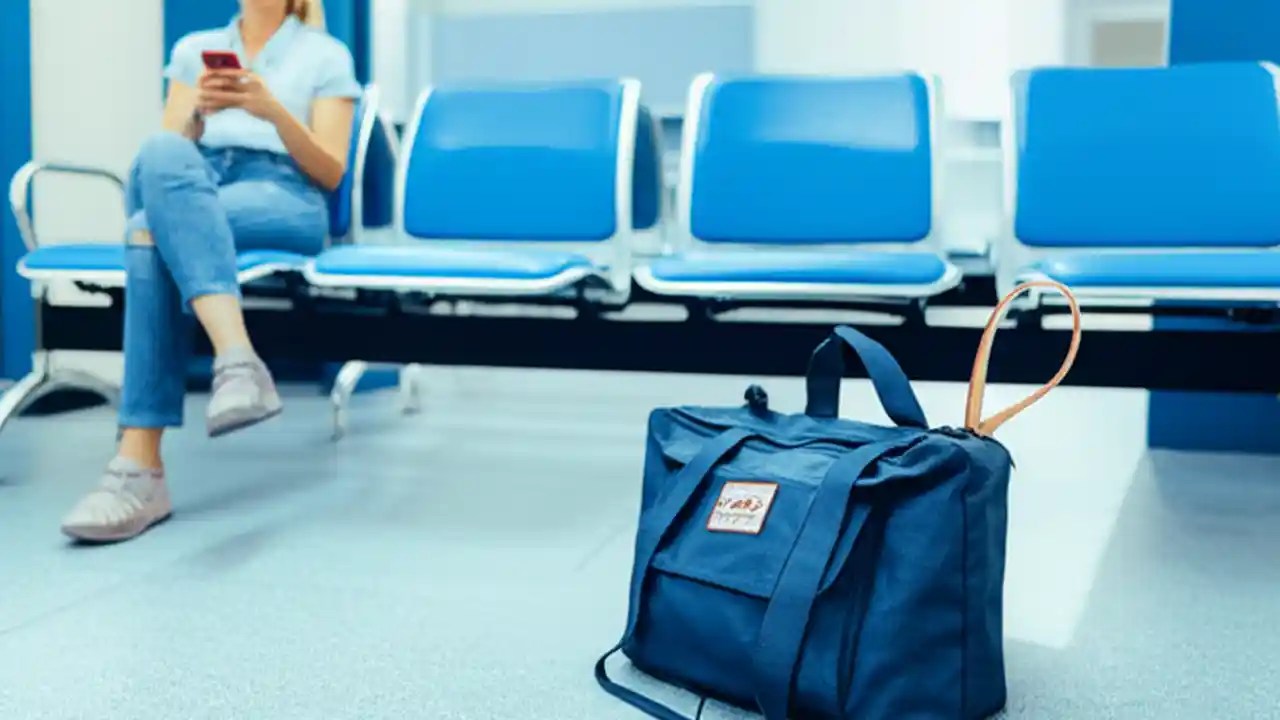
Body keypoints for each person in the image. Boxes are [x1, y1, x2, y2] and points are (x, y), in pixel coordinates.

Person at [59, 0, 360, 543]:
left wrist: (271, 110)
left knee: (148, 230)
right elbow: (169, 153)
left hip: (284, 191)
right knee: (158, 167)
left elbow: (331, 171)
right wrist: (196, 114)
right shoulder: (192, 50)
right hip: (199, 182)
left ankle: (138, 468)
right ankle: (238, 361)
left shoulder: (326, 53)